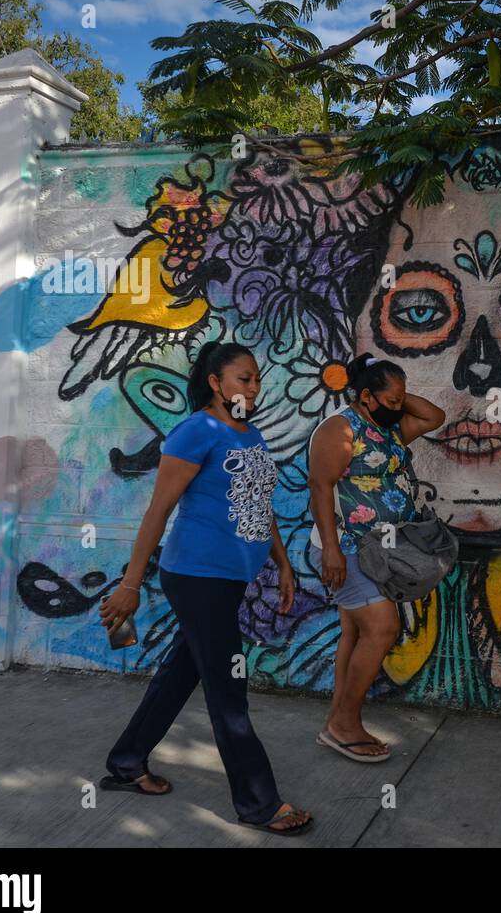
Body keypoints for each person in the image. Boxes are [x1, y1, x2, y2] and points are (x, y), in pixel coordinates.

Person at [97, 340, 313, 835]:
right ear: (215, 383)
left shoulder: (249, 432)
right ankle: (259, 803)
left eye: (257, 378)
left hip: (230, 578)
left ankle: (128, 761)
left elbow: (259, 504)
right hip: (197, 577)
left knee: (181, 673)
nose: (254, 387)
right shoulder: (195, 431)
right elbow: (159, 510)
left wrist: (281, 561)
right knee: (229, 691)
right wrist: (131, 585)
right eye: (244, 378)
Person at [307, 353, 446, 761]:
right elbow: (320, 487)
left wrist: (394, 397)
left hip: (386, 549)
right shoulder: (339, 429)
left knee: (355, 633)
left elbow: (434, 416)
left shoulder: (387, 428)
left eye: (399, 401)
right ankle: (344, 724)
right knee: (382, 631)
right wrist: (331, 550)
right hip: (348, 548)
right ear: (365, 397)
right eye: (389, 400)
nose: (399, 407)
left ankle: (337, 720)